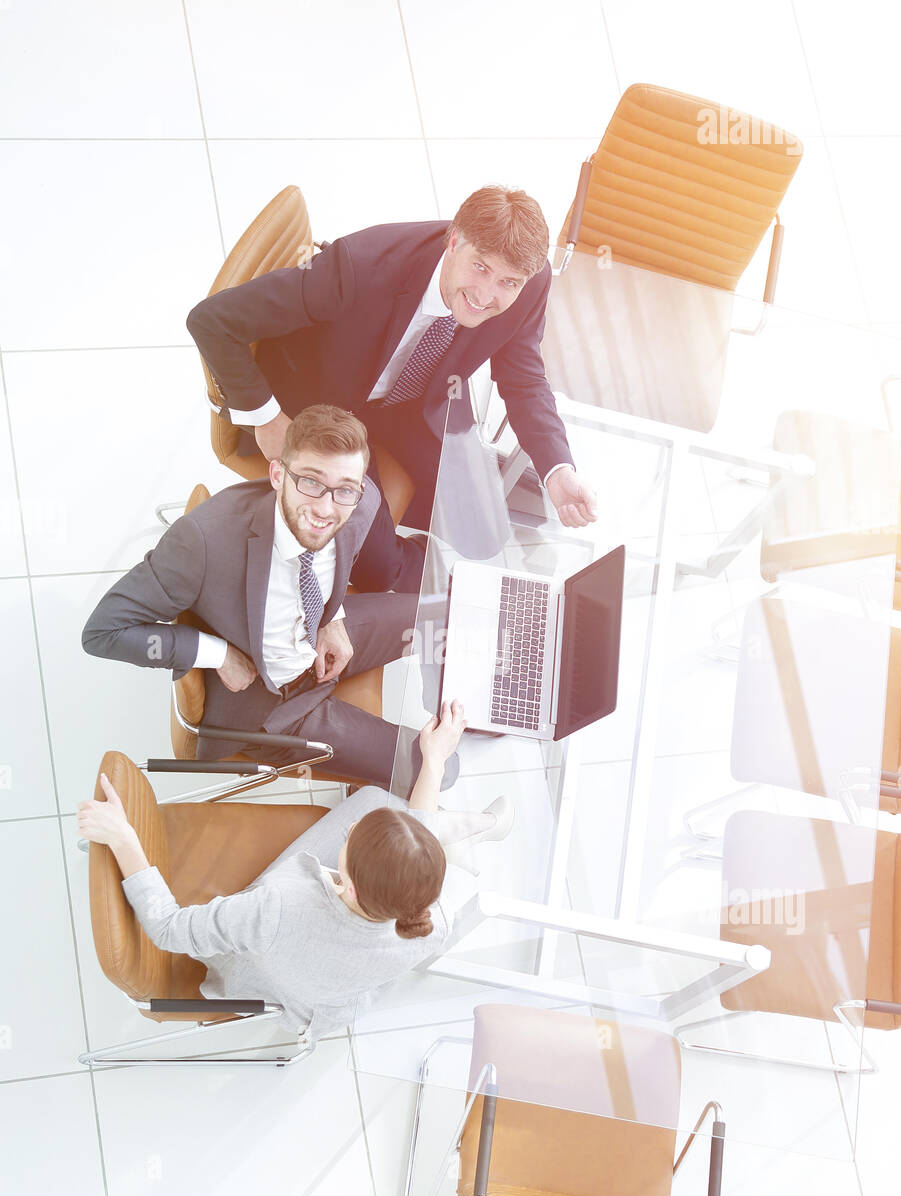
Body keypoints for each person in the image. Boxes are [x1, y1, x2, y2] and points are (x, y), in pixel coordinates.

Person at [186, 186, 598, 592]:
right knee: (380, 571)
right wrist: (267, 419)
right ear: (454, 240)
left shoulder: (531, 282)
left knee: (484, 531)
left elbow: (523, 377)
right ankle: (429, 588)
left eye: (508, 282)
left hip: (410, 404)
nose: (486, 297)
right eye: (481, 267)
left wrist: (558, 471)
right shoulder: (358, 266)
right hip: (321, 409)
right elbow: (211, 321)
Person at [76, 702, 512, 1043]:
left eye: (351, 840)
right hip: (326, 992)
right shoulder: (428, 924)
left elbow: (170, 929)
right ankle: (470, 831)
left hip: (260, 969)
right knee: (378, 804)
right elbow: (414, 833)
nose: (352, 829)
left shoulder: (277, 905)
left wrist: (123, 838)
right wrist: (433, 760)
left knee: (375, 804)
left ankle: (461, 830)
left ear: (351, 884)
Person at [81, 403, 447, 791]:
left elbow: (328, 557)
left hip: (320, 639)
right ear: (277, 474)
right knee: (434, 766)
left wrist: (333, 615)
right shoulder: (202, 543)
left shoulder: (360, 503)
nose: (325, 508)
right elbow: (103, 632)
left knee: (443, 618)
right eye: (309, 481)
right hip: (270, 705)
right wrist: (215, 654)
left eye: (343, 489)